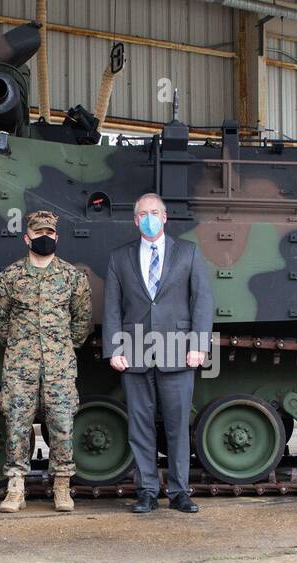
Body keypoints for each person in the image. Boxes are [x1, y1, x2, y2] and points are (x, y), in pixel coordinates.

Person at [103, 192, 214, 513]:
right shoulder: (119, 257)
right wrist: (114, 349)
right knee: (140, 427)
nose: (149, 218)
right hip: (134, 353)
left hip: (177, 352)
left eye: (155, 212)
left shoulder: (188, 253)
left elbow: (202, 301)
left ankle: (180, 492)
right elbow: (111, 306)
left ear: (165, 217)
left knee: (178, 427)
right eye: (143, 213)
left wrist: (198, 345)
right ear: (136, 220)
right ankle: (147, 491)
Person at [0, 210, 92, 512]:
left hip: (59, 368)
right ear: (27, 238)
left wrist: (61, 348)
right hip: (20, 368)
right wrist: (22, 347)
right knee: (17, 425)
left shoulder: (73, 278)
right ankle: (16, 488)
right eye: (38, 234)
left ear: (56, 238)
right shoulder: (9, 278)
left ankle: (62, 486)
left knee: (61, 425)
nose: (44, 239)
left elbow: (81, 322)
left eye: (49, 234)